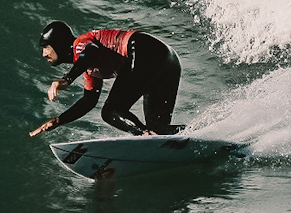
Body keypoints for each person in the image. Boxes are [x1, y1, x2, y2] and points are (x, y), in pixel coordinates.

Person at [28, 20, 185, 137]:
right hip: (166, 58)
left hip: (144, 51)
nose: (44, 54)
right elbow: (89, 101)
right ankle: (199, 132)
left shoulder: (80, 44)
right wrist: (58, 121)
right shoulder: (89, 68)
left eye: (46, 47)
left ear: (59, 44)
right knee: (160, 129)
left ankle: (144, 135)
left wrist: (66, 79)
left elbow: (91, 51)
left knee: (111, 111)